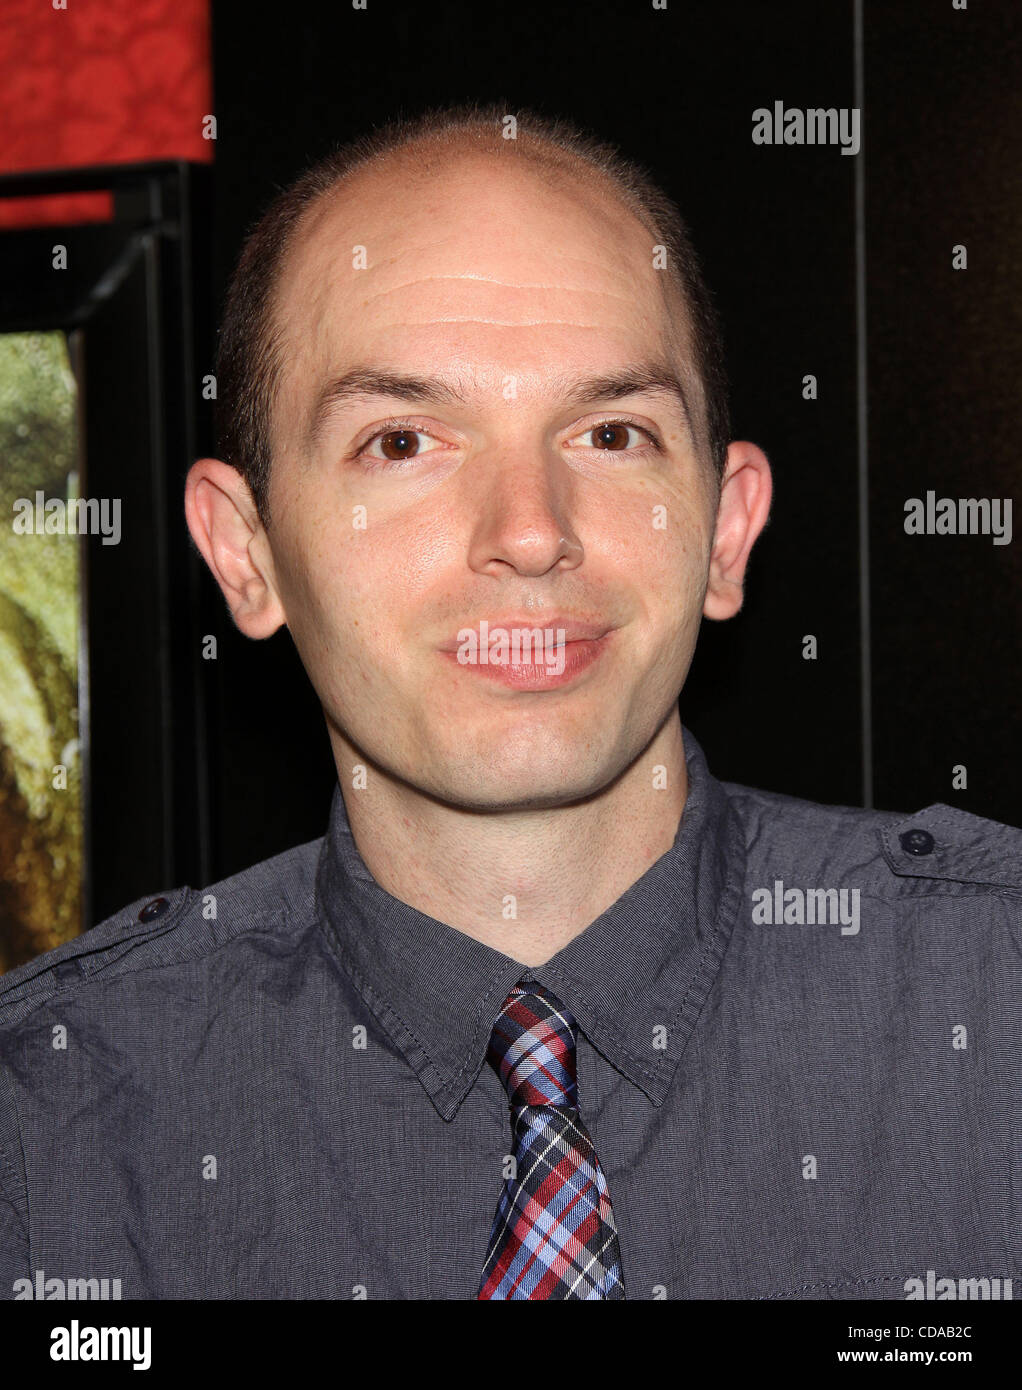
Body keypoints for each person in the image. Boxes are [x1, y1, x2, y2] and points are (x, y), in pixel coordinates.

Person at [2, 102, 1019, 1302]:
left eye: (609, 431)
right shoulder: (47, 1128)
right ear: (246, 554)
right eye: (401, 442)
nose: (530, 531)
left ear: (724, 533)